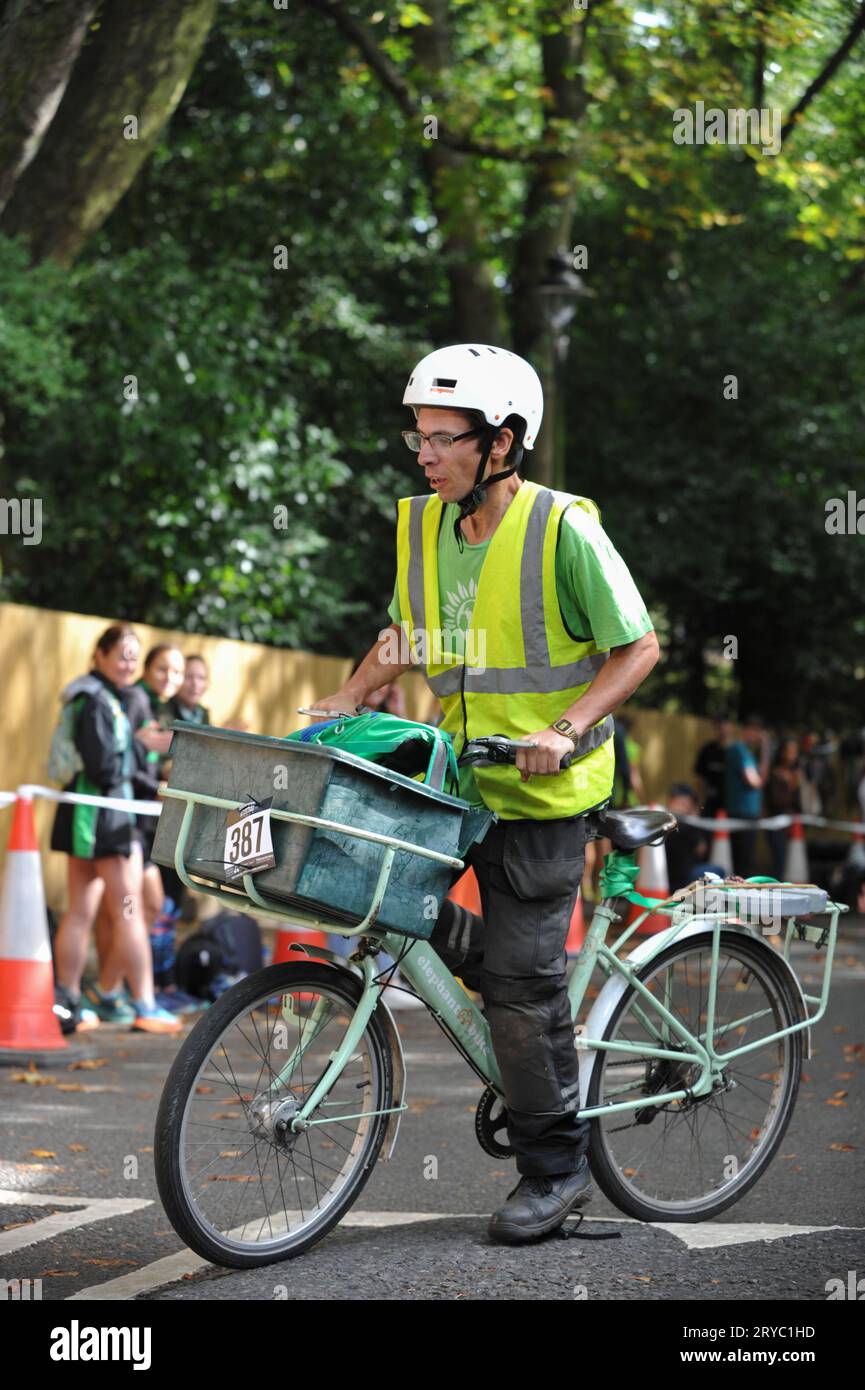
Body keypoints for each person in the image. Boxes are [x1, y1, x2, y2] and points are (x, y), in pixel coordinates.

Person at [311, 342, 659, 1244]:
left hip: (548, 796)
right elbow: (405, 632)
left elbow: (637, 648)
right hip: (460, 783)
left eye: (442, 438)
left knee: (522, 982)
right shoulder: (423, 527)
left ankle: (555, 1171)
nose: (422, 454)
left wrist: (565, 730)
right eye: (416, 436)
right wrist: (348, 696)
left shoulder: (561, 529)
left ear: (500, 443)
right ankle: (516, 1020)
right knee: (388, 904)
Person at [50, 625, 182, 1034]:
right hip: (106, 819)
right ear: (100, 655)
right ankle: (143, 1002)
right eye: (121, 654)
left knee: (82, 911)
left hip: (92, 818)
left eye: (132, 656)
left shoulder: (101, 697)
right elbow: (104, 767)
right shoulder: (95, 700)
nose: (127, 663)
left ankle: (69, 999)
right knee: (127, 910)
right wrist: (140, 747)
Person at [723, 715, 769, 878]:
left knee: (745, 860)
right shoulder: (739, 751)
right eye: (756, 731)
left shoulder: (747, 754)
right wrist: (765, 749)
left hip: (749, 814)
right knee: (743, 862)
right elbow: (756, 781)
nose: (758, 736)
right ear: (746, 730)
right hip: (741, 814)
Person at [765, 736, 801, 881]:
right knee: (779, 861)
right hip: (777, 824)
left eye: (794, 751)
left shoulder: (796, 773)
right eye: (788, 751)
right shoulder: (775, 773)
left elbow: (799, 802)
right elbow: (776, 800)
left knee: (790, 862)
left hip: (792, 826)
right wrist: (791, 785)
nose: (791, 755)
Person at [694, 716, 734, 818]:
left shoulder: (737, 751)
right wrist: (698, 804)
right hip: (711, 803)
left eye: (725, 724)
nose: (722, 728)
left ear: (731, 726)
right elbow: (700, 780)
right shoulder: (708, 750)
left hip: (733, 806)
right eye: (718, 725)